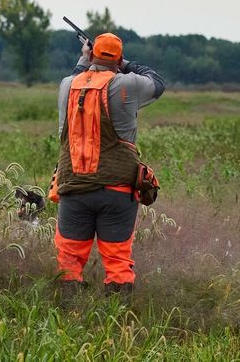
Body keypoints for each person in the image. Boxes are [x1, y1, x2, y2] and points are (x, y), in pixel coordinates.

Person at [52, 32, 165, 295]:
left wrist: (84, 59)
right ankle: (118, 313)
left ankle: (69, 310)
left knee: (68, 261)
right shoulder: (128, 84)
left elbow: (77, 78)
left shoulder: (67, 85)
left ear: (91, 54)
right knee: (117, 260)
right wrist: (125, 64)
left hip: (73, 186)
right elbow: (157, 82)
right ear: (118, 58)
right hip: (117, 189)